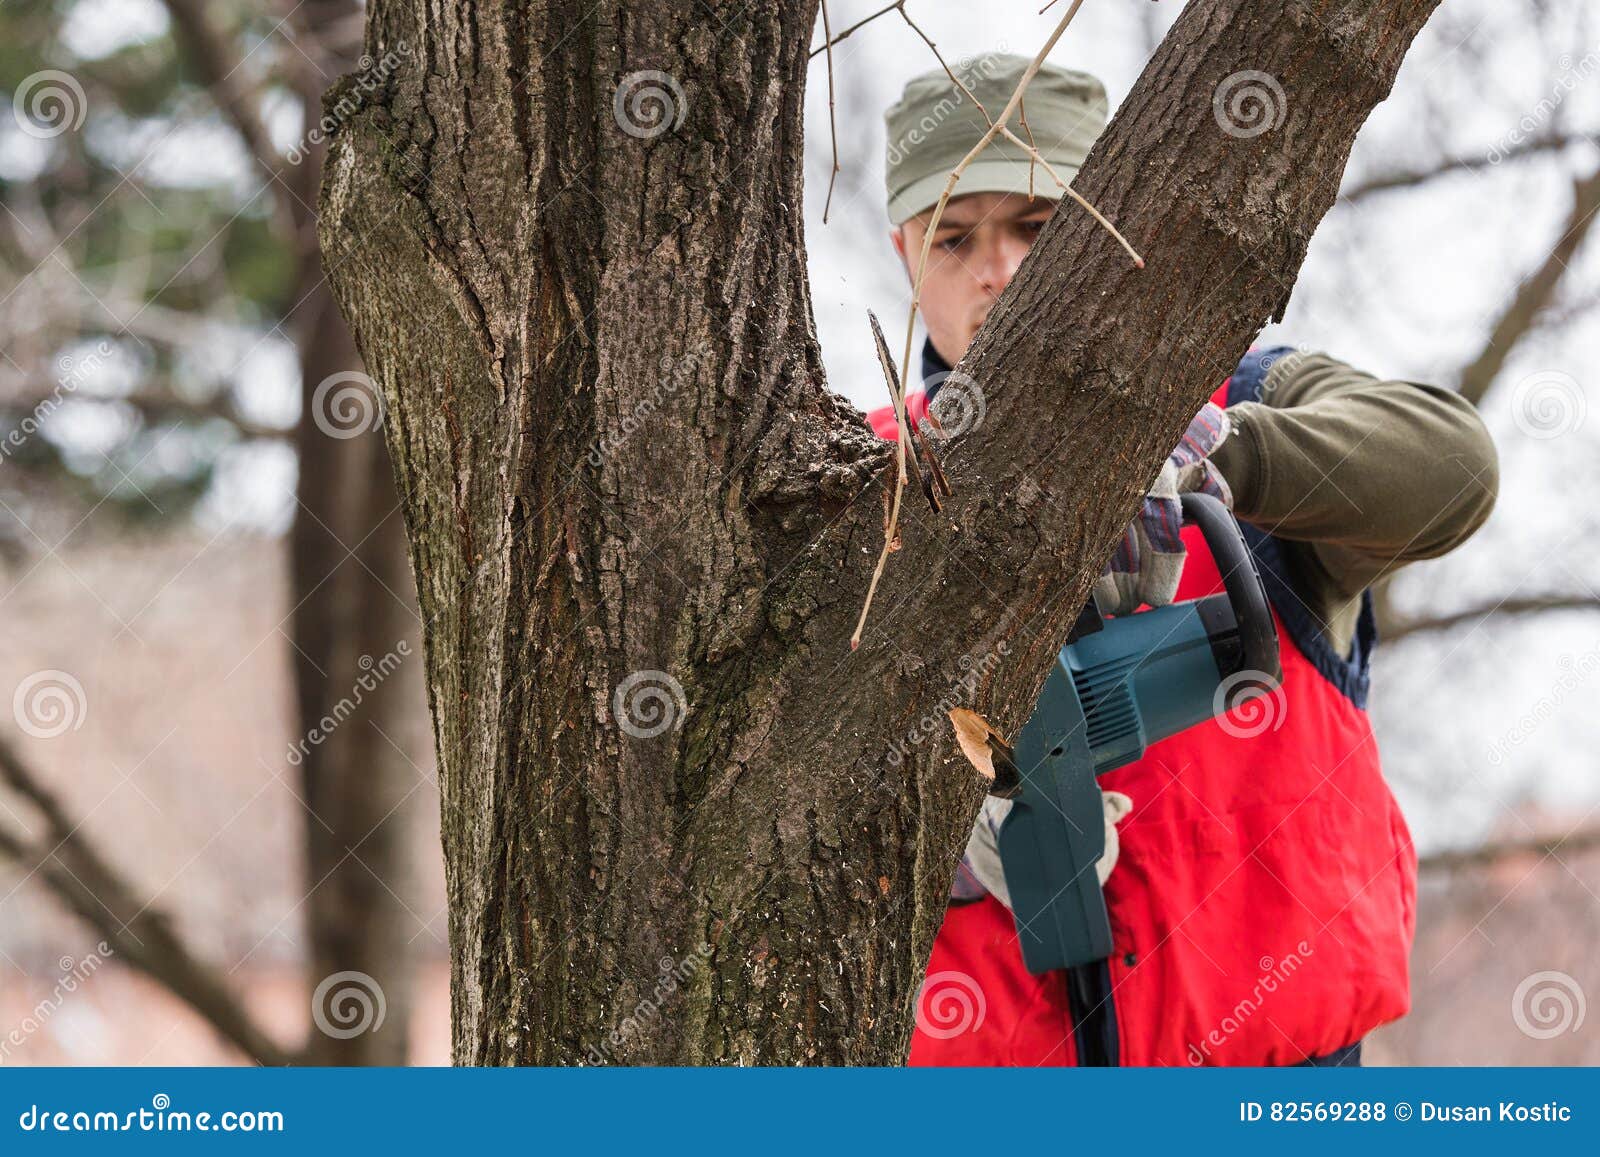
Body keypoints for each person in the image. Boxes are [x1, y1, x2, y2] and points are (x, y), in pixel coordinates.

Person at [873, 55, 1500, 1066]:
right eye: (953, 237)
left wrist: (1204, 461)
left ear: (1117, 220)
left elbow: (1450, 466)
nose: (997, 270)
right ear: (904, 254)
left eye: (1038, 225)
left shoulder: (1246, 402)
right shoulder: (860, 489)